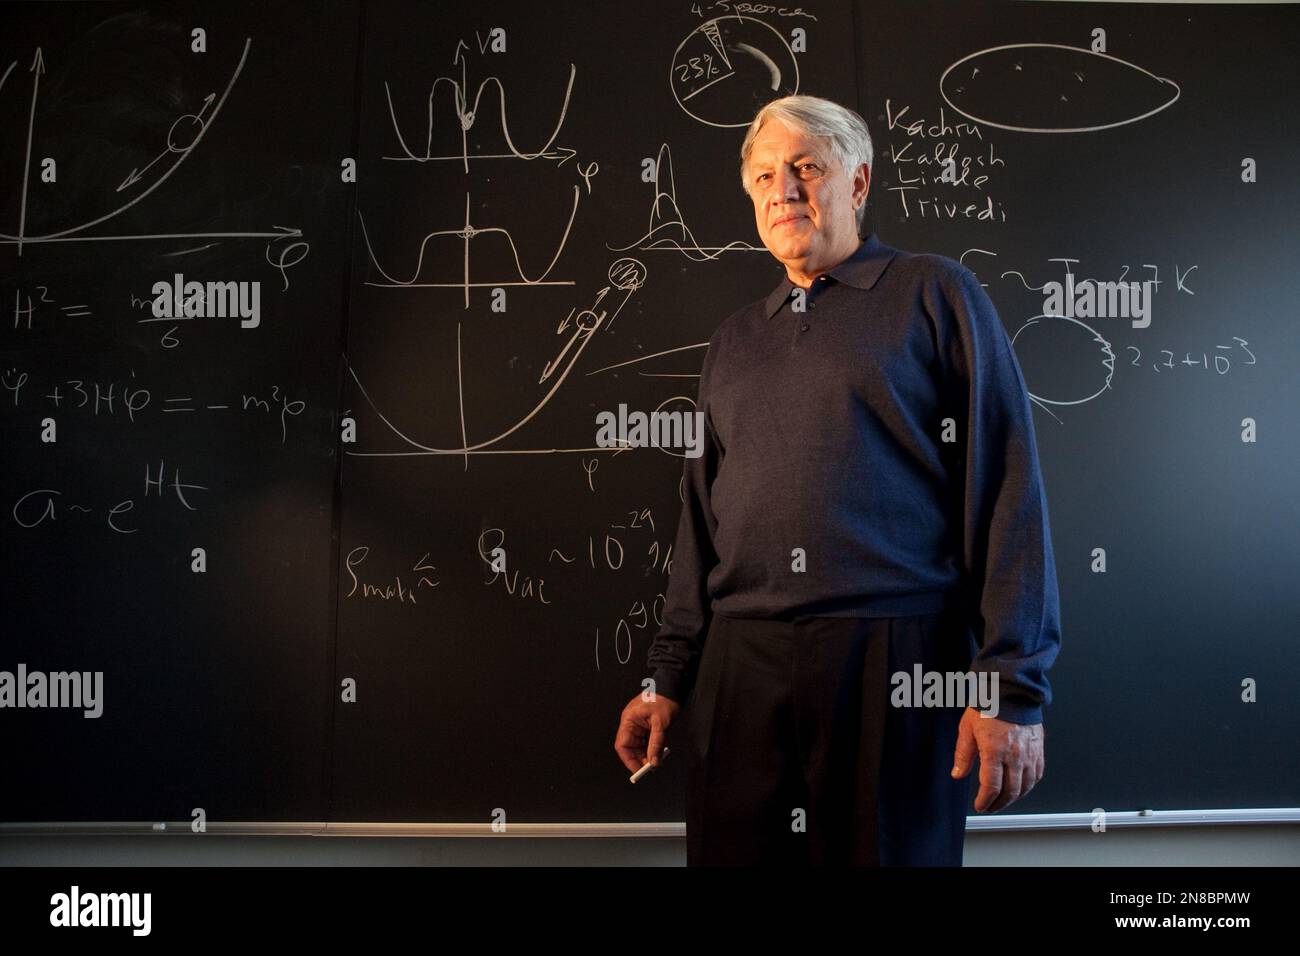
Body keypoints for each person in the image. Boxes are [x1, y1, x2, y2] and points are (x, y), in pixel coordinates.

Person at [613, 95, 1061, 865]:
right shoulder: (734, 340)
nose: (782, 188)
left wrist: (1009, 687)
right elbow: (699, 524)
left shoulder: (934, 293)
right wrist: (666, 676)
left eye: (805, 167)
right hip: (740, 668)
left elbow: (1007, 489)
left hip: (897, 659)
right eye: (763, 176)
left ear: (857, 184)